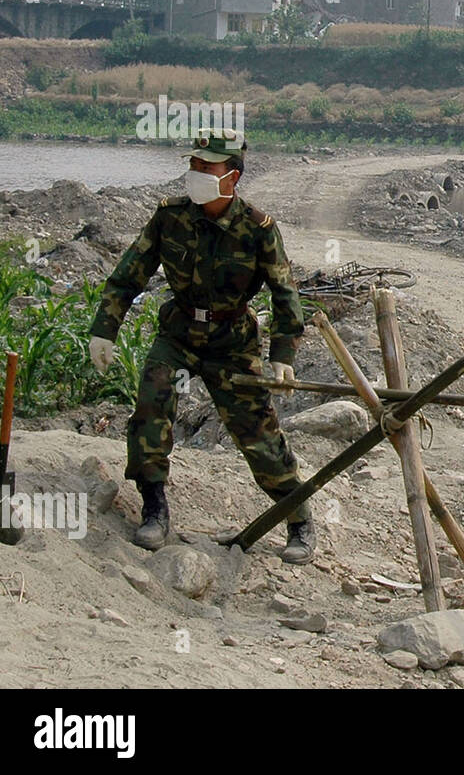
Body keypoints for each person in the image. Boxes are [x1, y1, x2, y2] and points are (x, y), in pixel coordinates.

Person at [88, 130, 316, 564]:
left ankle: (298, 516)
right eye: (193, 165)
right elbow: (129, 273)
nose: (195, 174)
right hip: (178, 336)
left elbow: (284, 292)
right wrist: (105, 328)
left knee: (256, 431)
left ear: (231, 177)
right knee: (152, 406)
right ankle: (154, 506)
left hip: (231, 343)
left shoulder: (258, 228)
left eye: (206, 168)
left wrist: (282, 356)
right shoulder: (170, 216)